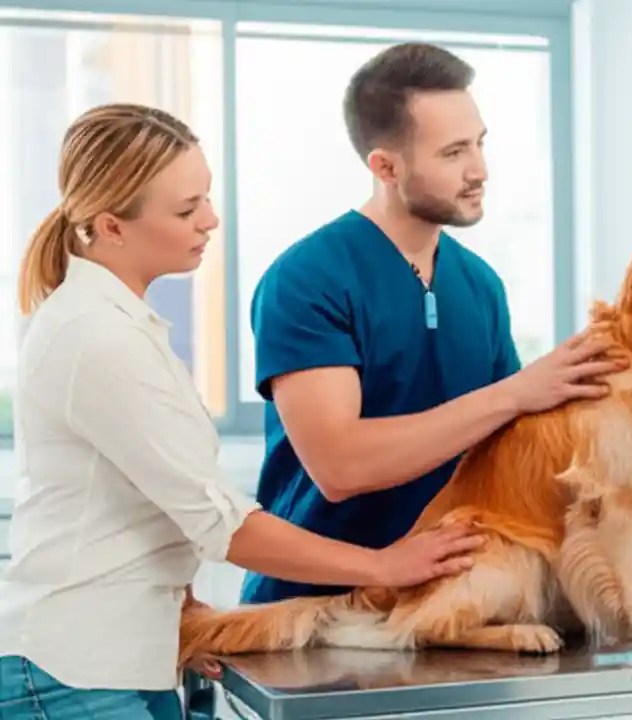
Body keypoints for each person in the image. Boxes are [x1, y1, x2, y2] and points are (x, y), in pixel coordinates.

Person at [0, 103, 485, 719]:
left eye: (205, 197)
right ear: (112, 226)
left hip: (119, 659)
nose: (210, 219)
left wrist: (176, 621)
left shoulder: (122, 325)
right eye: (185, 210)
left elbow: (140, 509)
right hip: (73, 675)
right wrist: (383, 565)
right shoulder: (97, 338)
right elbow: (221, 522)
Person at [240, 41, 625, 605]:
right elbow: (341, 465)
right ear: (385, 166)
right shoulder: (306, 279)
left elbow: (508, 452)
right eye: (453, 154)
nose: (480, 171)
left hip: (450, 602)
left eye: (479, 144)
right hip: (315, 610)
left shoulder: (480, 286)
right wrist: (515, 393)